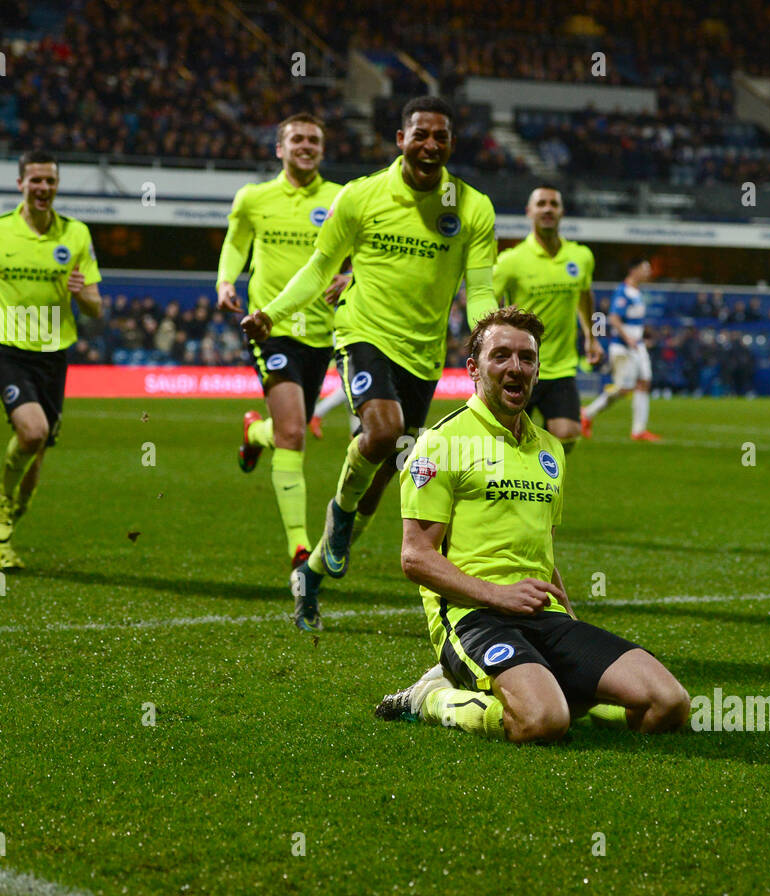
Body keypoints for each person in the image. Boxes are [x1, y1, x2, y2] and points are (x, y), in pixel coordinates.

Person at [240, 96, 498, 630]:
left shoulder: (472, 207)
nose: (430, 145)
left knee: (384, 475)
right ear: (400, 140)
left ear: (450, 145)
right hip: (364, 331)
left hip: (424, 354)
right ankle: (337, 517)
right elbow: (319, 269)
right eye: (420, 135)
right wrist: (272, 311)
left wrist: (488, 335)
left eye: (441, 137)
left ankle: (309, 574)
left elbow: (481, 288)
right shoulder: (361, 197)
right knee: (384, 430)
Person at [375, 307, 690, 743]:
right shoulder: (440, 443)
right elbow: (416, 557)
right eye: (500, 356)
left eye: (527, 358)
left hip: (543, 615)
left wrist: (574, 626)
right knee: (543, 722)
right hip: (474, 615)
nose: (515, 368)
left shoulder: (551, 451)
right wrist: (498, 595)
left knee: (669, 703)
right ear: (473, 368)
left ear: (538, 370)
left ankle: (555, 691)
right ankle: (428, 699)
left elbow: (544, 552)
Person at [0, 150, 102, 570]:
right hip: (7, 348)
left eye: (50, 182)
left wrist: (82, 292)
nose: (43, 188)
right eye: (35, 180)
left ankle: (2, 534)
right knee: (33, 431)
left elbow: (95, 306)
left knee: (36, 458)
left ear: (57, 186)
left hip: (55, 352)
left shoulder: (76, 235)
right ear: (20, 184)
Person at [221, 114, 351, 568]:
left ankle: (255, 433)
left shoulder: (340, 198)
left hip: (322, 331)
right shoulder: (254, 198)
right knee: (295, 432)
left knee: (285, 428)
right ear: (279, 148)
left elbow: (364, 252)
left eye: (314, 139)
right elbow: (236, 243)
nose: (306, 145)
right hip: (269, 326)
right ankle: (299, 546)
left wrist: (351, 275)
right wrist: (224, 281)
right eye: (297, 138)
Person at [492, 185, 600, 453]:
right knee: (504, 443)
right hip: (519, 366)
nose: (548, 209)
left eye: (553, 204)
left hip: (561, 367)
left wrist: (592, 336)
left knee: (567, 435)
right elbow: (488, 307)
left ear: (562, 212)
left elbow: (586, 297)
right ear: (529, 212)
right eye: (541, 204)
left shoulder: (581, 257)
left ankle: (539, 480)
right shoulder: (510, 261)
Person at [583, 259, 660, 440]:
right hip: (623, 347)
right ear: (633, 270)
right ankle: (587, 414)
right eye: (645, 269)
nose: (648, 273)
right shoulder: (623, 291)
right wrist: (629, 339)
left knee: (644, 383)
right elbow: (614, 318)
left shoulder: (637, 292)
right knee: (623, 389)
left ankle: (639, 430)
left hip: (637, 346)